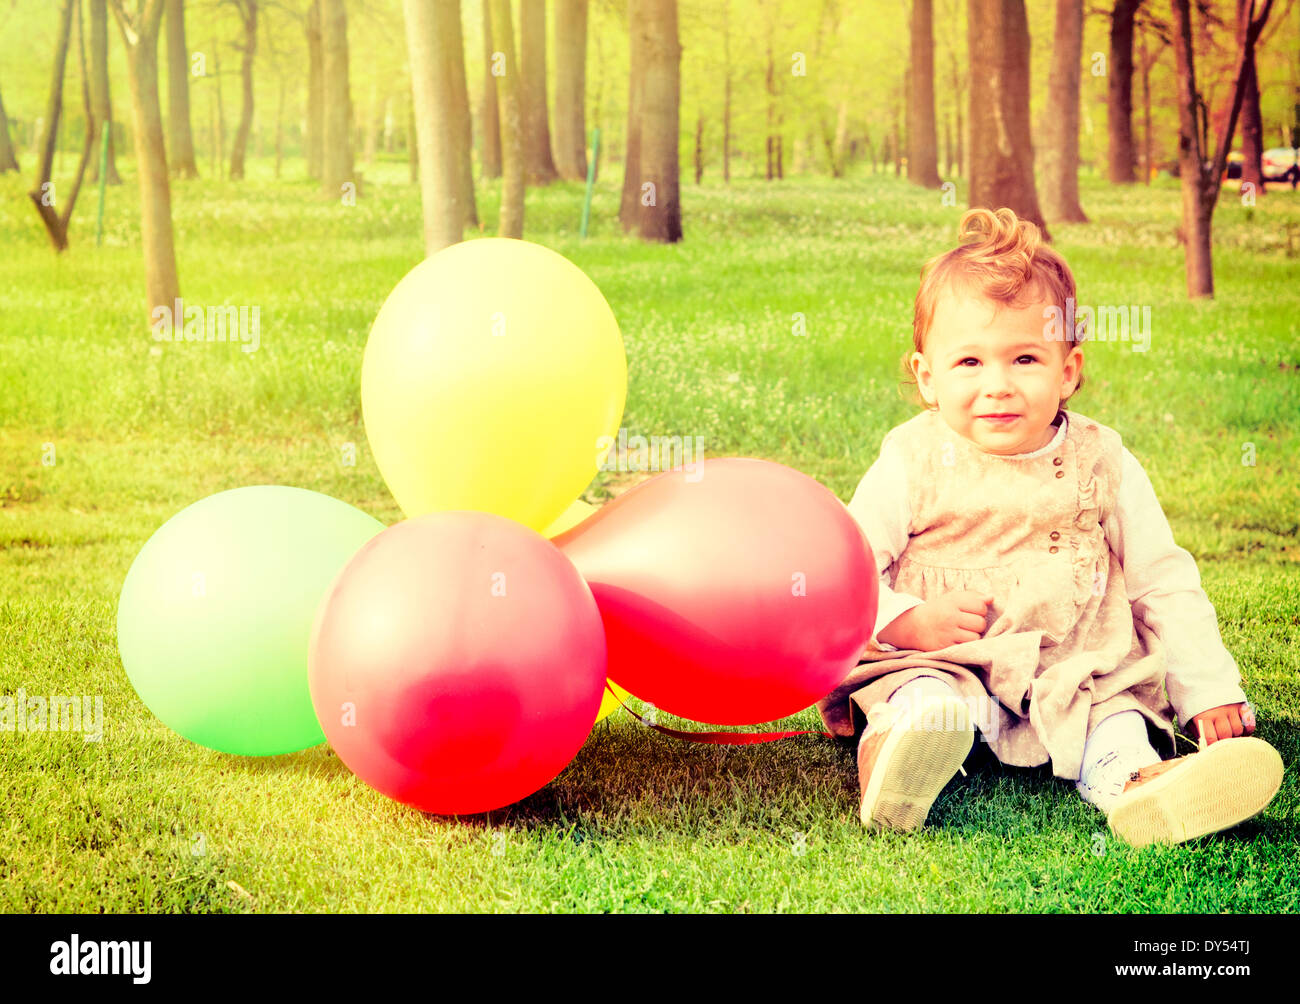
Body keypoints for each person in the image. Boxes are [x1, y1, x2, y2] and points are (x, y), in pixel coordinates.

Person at [816, 207, 1283, 847]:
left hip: (1073, 665)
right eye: (970, 363)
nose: (999, 386)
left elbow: (1162, 580)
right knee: (925, 699)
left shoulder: (1102, 460)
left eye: (1026, 359)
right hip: (949, 655)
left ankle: (1141, 786)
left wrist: (1207, 687)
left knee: (1113, 718)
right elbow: (844, 568)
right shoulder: (912, 459)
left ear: (1068, 370)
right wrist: (905, 622)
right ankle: (902, 760)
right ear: (927, 377)